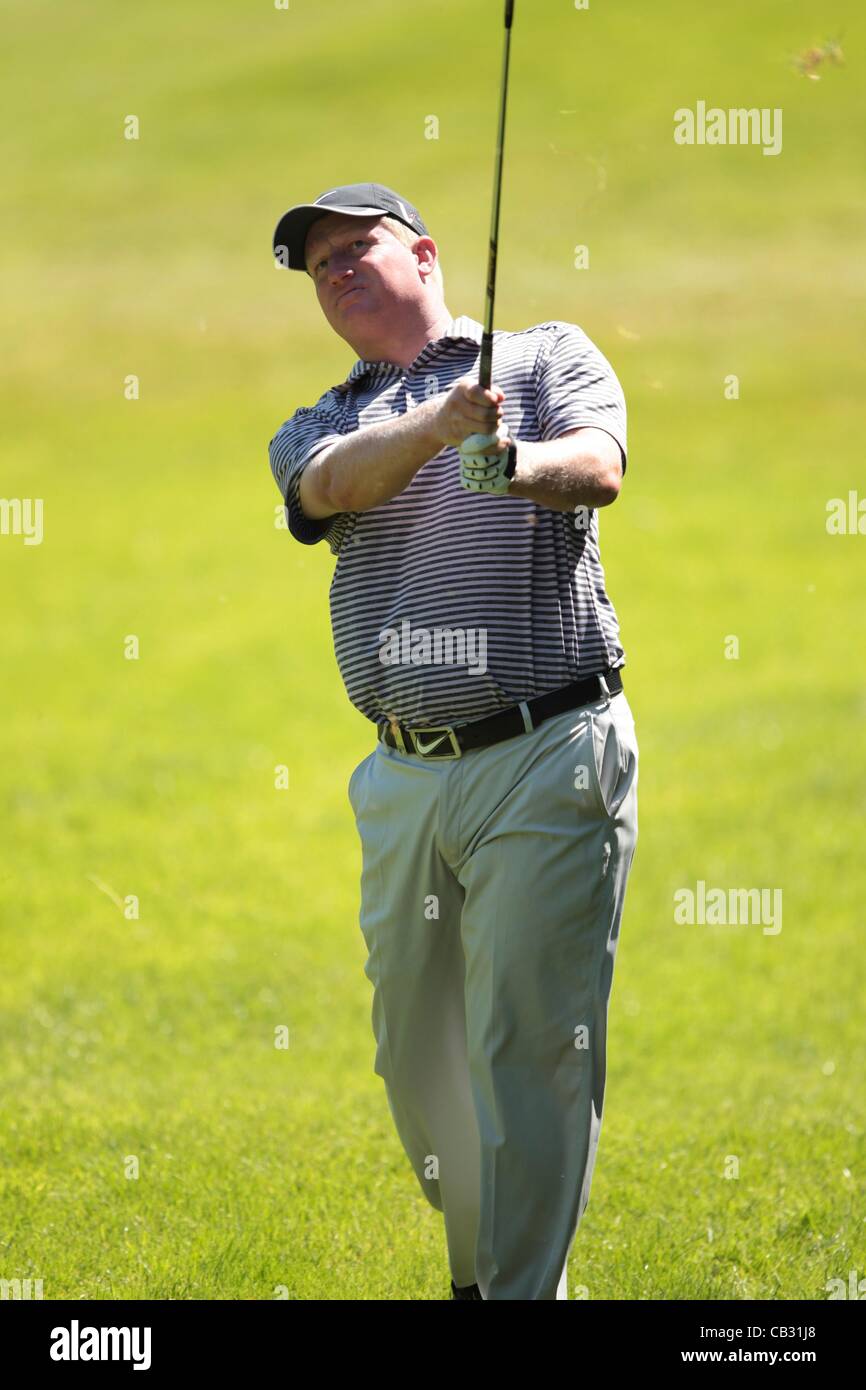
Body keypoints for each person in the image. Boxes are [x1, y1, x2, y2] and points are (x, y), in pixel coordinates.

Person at [268, 182, 639, 1300]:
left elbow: (598, 465)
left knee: (527, 1045)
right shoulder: (322, 419)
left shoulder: (540, 356)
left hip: (543, 745)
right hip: (402, 772)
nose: (333, 269)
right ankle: (496, 1268)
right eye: (314, 263)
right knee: (416, 1059)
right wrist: (435, 428)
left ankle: (509, 1293)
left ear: (424, 253)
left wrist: (509, 459)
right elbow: (327, 489)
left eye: (353, 246)